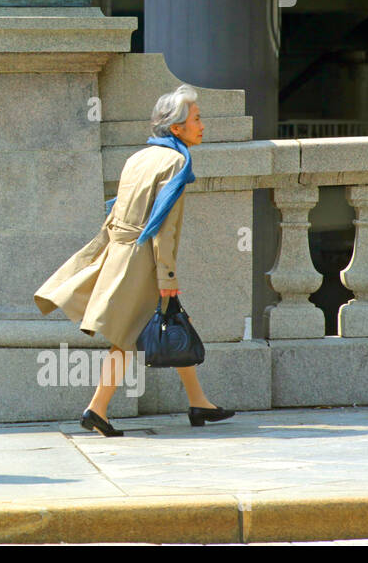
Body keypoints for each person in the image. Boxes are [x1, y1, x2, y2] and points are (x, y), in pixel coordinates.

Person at [34, 84, 234, 436]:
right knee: (127, 338)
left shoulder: (139, 157)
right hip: (144, 262)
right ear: (176, 128)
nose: (203, 126)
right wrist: (167, 276)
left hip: (124, 254)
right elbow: (163, 227)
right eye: (197, 119)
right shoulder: (176, 162)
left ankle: (199, 401)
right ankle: (96, 409)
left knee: (173, 321)